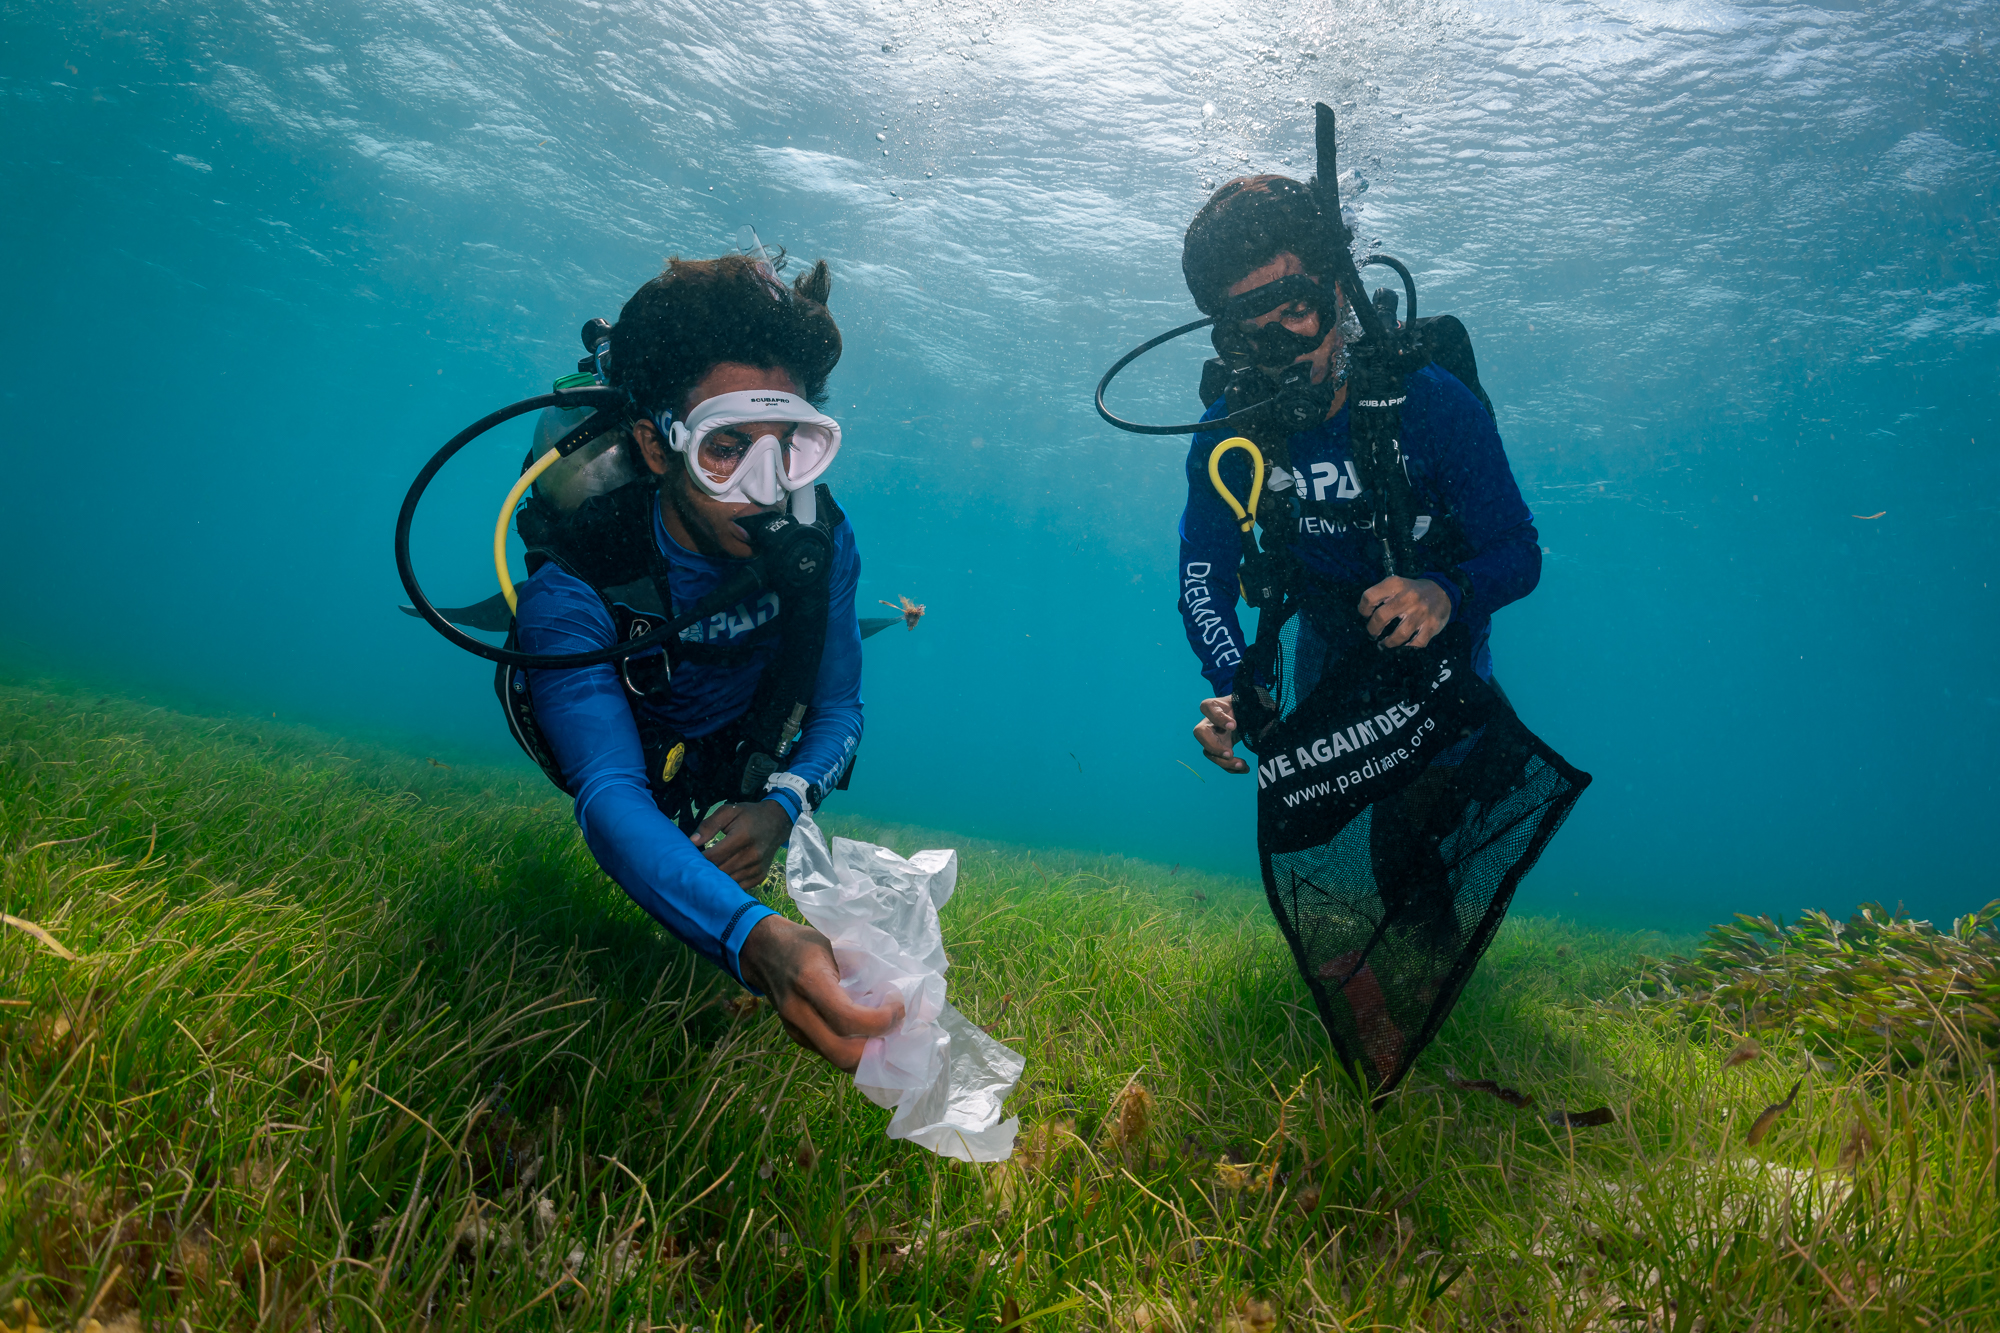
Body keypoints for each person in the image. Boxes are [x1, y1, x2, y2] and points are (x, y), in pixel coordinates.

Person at [512, 253, 902, 1071]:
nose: (768, 490)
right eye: (727, 446)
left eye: (792, 443)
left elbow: (838, 710)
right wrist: (756, 940)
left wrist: (782, 805)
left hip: (734, 746)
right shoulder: (582, 578)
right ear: (657, 446)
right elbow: (610, 794)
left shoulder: (823, 539)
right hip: (630, 741)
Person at [1175, 174, 1542, 778]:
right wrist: (1231, 682)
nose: (1284, 350)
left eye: (1296, 312)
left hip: (1446, 650)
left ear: (1342, 292)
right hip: (1328, 650)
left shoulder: (1433, 403)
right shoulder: (1227, 436)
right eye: (1249, 330)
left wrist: (1445, 593)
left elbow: (1518, 550)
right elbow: (1202, 578)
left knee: (1427, 821)